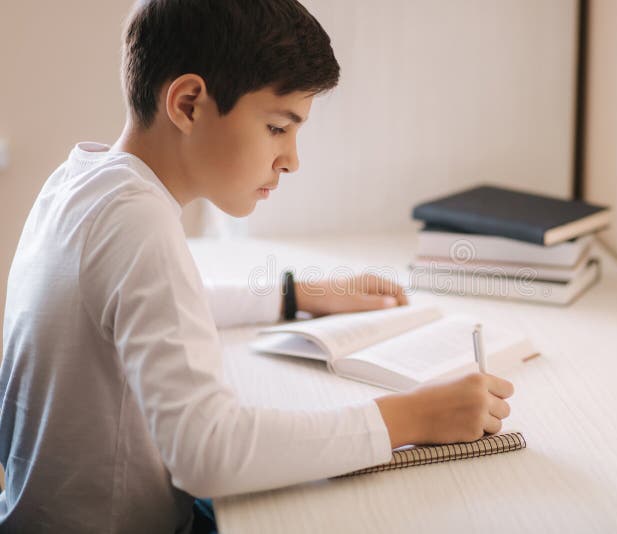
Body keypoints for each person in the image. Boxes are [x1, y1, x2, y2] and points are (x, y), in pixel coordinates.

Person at [0, 1, 514, 532]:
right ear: (189, 103)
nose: (291, 158)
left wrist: (296, 295)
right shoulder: (138, 224)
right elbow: (207, 452)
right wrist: (410, 416)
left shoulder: (83, 183)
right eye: (276, 127)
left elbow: (159, 302)